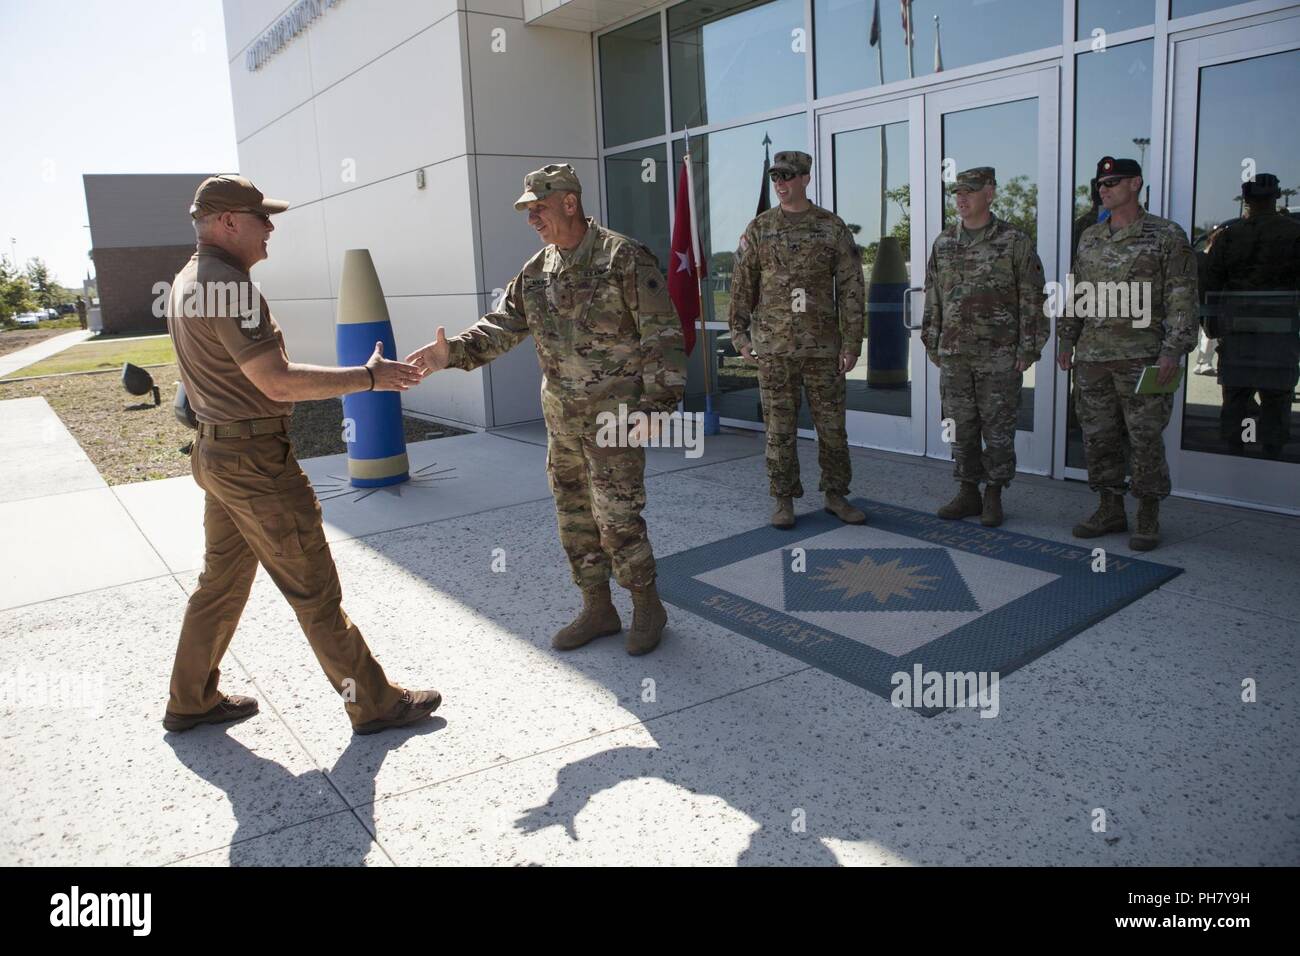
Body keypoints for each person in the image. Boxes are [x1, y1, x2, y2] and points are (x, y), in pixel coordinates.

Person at [163, 174, 439, 735]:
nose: (270, 228)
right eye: (261, 217)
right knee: (313, 590)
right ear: (227, 223)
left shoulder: (188, 279)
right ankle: (375, 702)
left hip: (220, 457)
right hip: (255, 465)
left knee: (219, 584)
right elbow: (277, 382)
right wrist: (369, 377)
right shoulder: (230, 287)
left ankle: (191, 699)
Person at [404, 164, 685, 656]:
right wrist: (451, 355)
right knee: (574, 515)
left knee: (618, 516)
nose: (532, 217)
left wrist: (658, 406)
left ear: (569, 203)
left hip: (614, 420)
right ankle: (597, 607)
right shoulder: (537, 273)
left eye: (539, 207)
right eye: (527, 210)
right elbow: (499, 327)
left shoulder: (624, 258)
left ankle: (647, 604)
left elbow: (663, 335)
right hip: (562, 421)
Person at [1058, 157, 1198, 551]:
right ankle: (1109, 507)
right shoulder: (1090, 236)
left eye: (1113, 181)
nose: (1104, 188)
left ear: (1135, 184)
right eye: (1100, 183)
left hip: (1142, 357)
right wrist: (1067, 338)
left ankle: (1148, 514)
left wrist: (1173, 350)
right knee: (1098, 436)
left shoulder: (1166, 236)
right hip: (1093, 357)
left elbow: (1182, 297)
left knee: (1144, 437)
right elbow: (1077, 293)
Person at [727, 149, 867, 530]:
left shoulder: (831, 227)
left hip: (823, 348)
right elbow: (742, 285)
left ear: (805, 178)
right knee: (778, 430)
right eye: (776, 178)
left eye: (788, 177)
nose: (780, 184)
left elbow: (852, 286)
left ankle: (836, 495)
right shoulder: (759, 229)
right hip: (774, 349)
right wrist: (739, 335)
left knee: (832, 428)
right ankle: (783, 499)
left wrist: (852, 342)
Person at [922, 167, 1048, 527]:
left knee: (997, 428)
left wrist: (1028, 348)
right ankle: (967, 491)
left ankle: (994, 492)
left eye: (970, 192)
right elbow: (933, 295)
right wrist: (932, 340)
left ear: (989, 194)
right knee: (959, 425)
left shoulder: (1013, 241)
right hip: (954, 354)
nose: (961, 199)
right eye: (957, 193)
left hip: (1000, 355)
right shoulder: (944, 242)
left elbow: (1033, 298)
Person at [1202, 173, 1300, 459]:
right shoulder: (1294, 235)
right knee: (1276, 397)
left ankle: (1236, 451)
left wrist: (1211, 325)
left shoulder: (1230, 237)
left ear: (1246, 200)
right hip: (1280, 331)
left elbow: (1209, 282)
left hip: (1239, 329)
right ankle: (1271, 454)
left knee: (1236, 397)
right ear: (1276, 197)